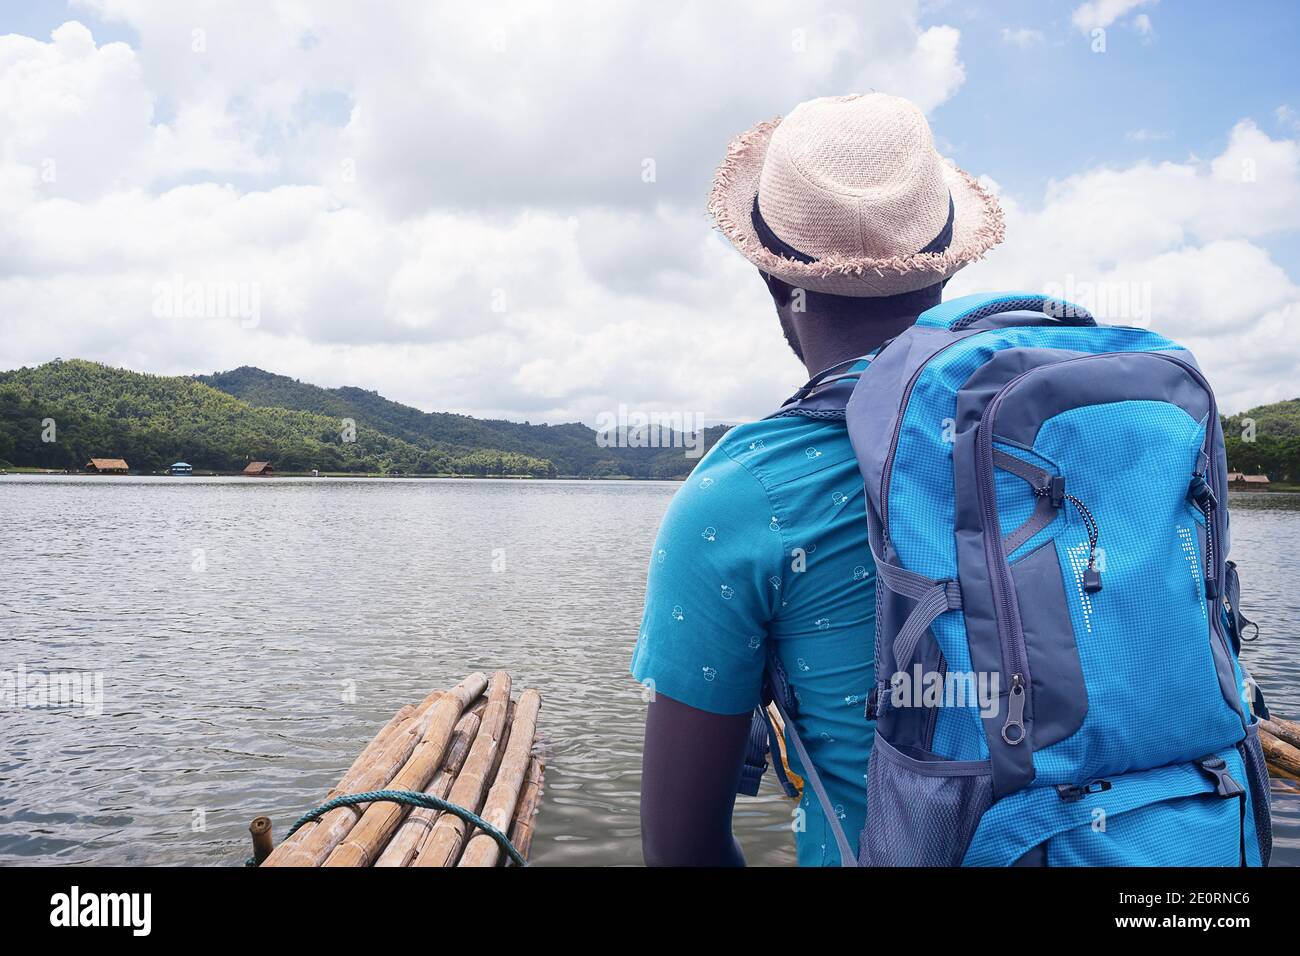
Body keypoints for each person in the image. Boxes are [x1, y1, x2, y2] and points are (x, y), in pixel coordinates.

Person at [631, 93, 1005, 866]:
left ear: (776, 285)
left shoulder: (743, 495)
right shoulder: (1065, 428)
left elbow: (681, 850)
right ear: (950, 268)